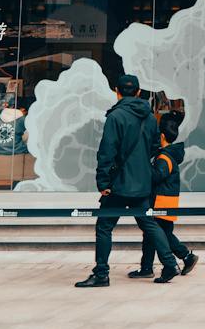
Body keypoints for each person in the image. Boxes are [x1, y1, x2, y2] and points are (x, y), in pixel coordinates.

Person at [74, 74, 178, 289]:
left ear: (116, 90)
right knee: (149, 223)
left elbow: (106, 151)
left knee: (104, 226)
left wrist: (103, 182)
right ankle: (169, 264)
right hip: (142, 182)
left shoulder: (116, 117)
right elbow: (152, 148)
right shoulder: (149, 117)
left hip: (119, 183)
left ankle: (101, 273)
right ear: (139, 92)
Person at [128, 108, 198, 281]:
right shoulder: (167, 154)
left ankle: (185, 257)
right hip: (165, 201)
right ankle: (147, 267)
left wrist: (144, 169)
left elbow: (157, 176)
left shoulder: (164, 157)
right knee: (153, 234)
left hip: (161, 202)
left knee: (160, 234)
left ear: (162, 136)